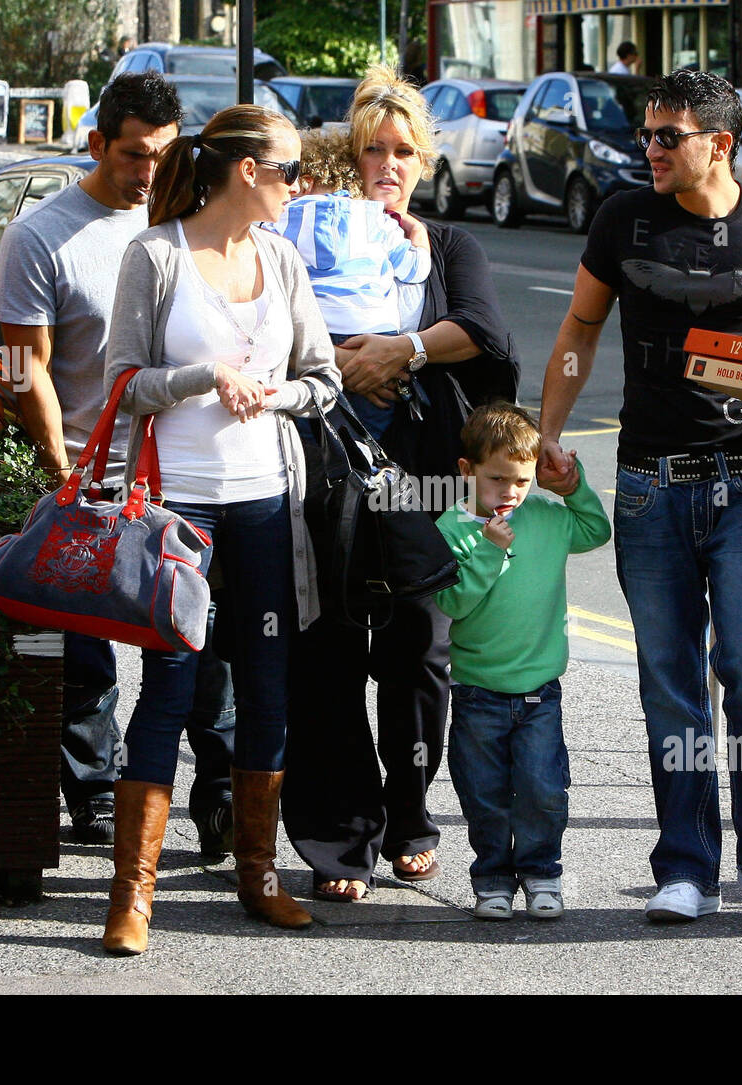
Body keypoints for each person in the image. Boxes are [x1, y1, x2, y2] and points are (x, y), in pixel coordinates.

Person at [537, 69, 742, 923]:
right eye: (645, 134)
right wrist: (549, 430)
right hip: (649, 485)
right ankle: (685, 866)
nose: (650, 149)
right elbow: (579, 328)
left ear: (719, 142)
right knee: (670, 682)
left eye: (666, 136)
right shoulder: (622, 218)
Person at [101, 104, 342, 952]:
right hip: (178, 503)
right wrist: (207, 376)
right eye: (289, 171)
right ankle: (133, 893)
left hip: (268, 499)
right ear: (247, 171)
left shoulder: (281, 257)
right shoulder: (156, 254)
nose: (299, 186)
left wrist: (275, 392)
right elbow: (123, 382)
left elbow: (324, 381)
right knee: (169, 685)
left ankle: (259, 875)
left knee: (270, 685)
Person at [281, 65, 520, 902]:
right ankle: (342, 840)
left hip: (421, 478)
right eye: (373, 149)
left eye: (404, 151)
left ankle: (411, 816)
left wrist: (404, 349)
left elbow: (487, 335)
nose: (388, 163)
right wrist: (346, 362)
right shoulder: (306, 228)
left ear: (423, 161)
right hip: (326, 473)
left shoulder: (449, 247)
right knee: (330, 653)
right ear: (352, 154)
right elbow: (268, 324)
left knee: (419, 653)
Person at [0, 72, 236, 857]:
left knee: (203, 647)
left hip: (191, 476)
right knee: (88, 656)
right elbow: (26, 367)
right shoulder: (42, 236)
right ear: (97, 143)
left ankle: (222, 803)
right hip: (90, 477)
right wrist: (63, 471)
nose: (150, 172)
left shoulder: (196, 226)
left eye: (165, 155)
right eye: (135, 156)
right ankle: (97, 794)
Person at [436, 404, 610, 920]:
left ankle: (542, 872)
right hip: (476, 692)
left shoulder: (546, 518)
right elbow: (453, 603)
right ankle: (491, 876)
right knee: (484, 794)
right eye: (497, 480)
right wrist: (489, 551)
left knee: (542, 789)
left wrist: (571, 485)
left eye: (522, 481)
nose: (511, 492)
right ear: (467, 471)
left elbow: (596, 531)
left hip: (539, 693)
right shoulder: (451, 529)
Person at [271, 126, 432, 439]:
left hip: (315, 331)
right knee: (371, 422)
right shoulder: (374, 219)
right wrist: (419, 235)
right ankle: (365, 465)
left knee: (305, 415)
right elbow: (415, 269)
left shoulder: (278, 219)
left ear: (302, 179)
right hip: (373, 332)